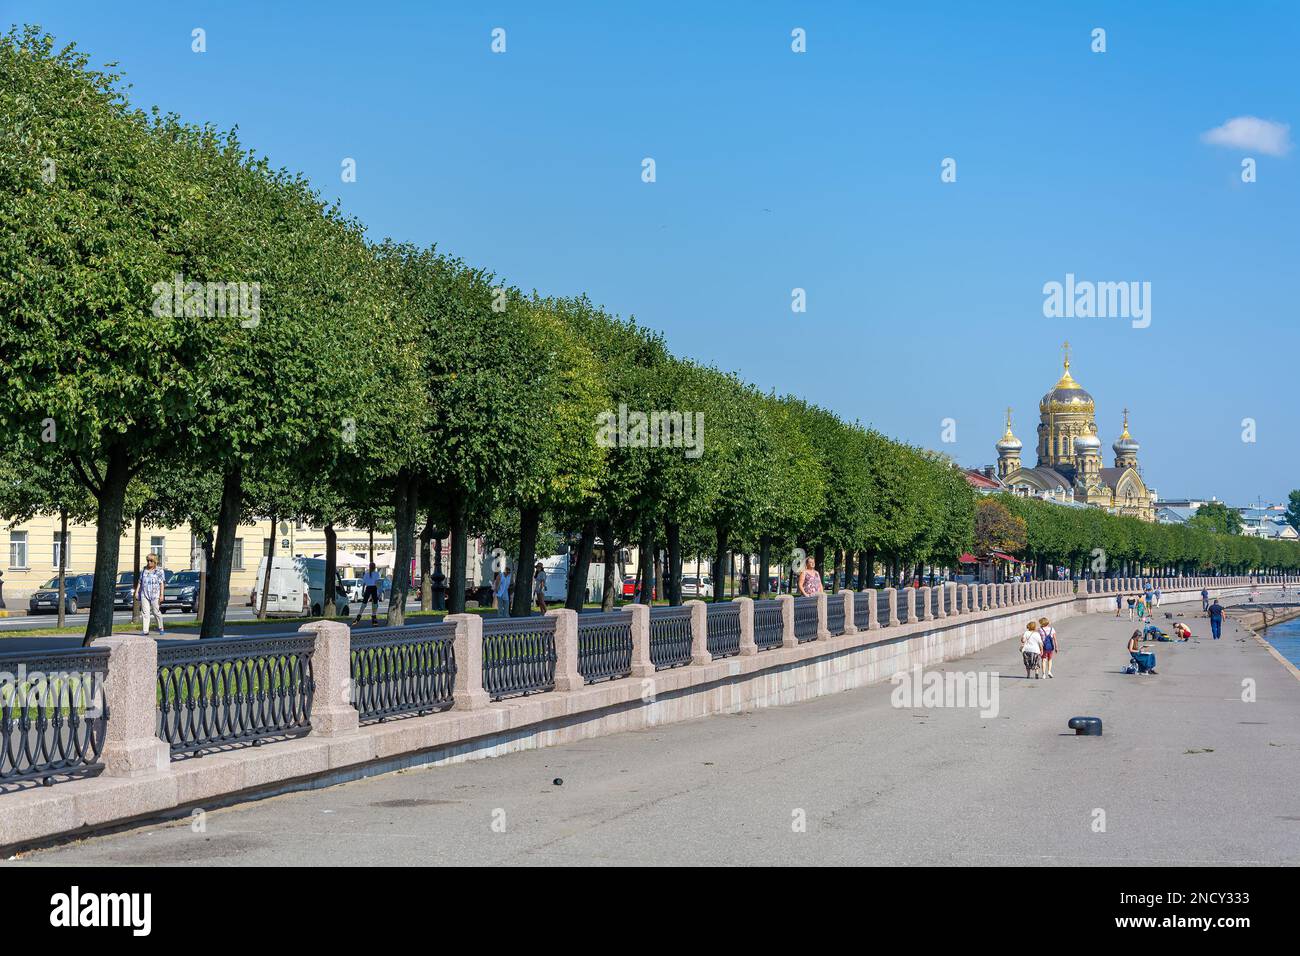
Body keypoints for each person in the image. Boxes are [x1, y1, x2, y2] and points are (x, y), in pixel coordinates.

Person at [136, 552, 167, 636]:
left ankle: (161, 628)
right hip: (144, 593)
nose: (149, 562)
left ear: (155, 561)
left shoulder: (159, 570)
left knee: (155, 611)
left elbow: (161, 583)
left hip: (155, 594)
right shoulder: (144, 570)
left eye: (151, 561)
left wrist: (161, 595)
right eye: (148, 560)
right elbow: (140, 581)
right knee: (145, 612)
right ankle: (145, 630)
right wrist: (137, 592)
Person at [353, 562, 381, 626]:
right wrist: (378, 592)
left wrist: (363, 591)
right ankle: (374, 616)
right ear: (374, 567)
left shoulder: (366, 574)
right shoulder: (377, 574)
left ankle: (359, 615)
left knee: (364, 602)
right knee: (375, 603)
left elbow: (364, 584)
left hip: (368, 588)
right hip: (374, 588)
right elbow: (377, 583)